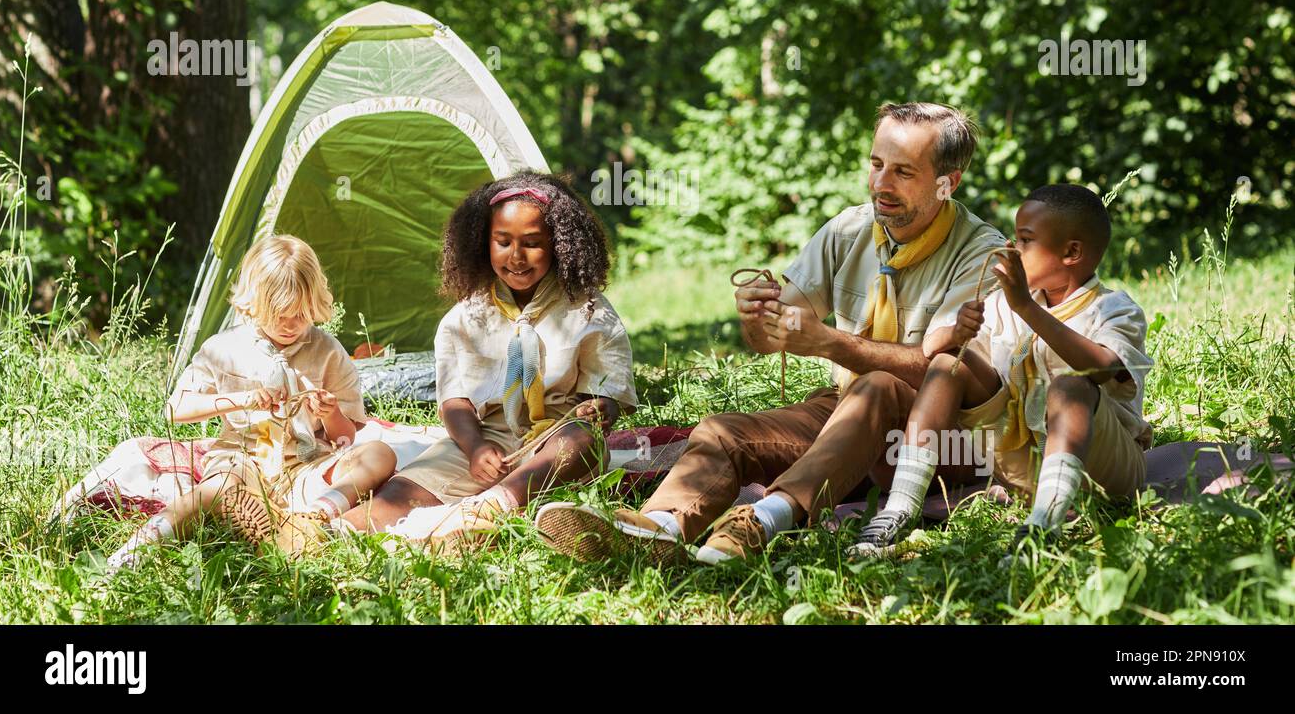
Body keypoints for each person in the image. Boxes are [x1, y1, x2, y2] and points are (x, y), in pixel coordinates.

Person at [536, 102, 1005, 566]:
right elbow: (773, 337)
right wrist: (758, 318)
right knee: (723, 433)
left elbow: (947, 371)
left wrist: (828, 342)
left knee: (878, 385)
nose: (881, 184)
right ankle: (658, 528)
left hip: (947, 439)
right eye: (877, 164)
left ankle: (761, 521)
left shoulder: (982, 253)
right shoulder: (851, 228)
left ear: (948, 182)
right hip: (853, 412)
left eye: (904, 172)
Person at [849, 184, 1152, 562]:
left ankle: (1043, 528)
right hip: (1021, 466)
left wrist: (1027, 308)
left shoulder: (1113, 309)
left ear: (1071, 252)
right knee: (951, 362)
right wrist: (955, 332)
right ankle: (900, 508)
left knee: (1072, 385)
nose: (1011, 248)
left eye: (1025, 240)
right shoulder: (1004, 303)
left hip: (1106, 473)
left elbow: (1105, 368)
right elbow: (930, 350)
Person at [342, 172, 636, 552]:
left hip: (555, 439)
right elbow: (454, 400)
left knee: (582, 442)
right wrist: (476, 447)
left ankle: (489, 508)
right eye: (503, 242)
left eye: (532, 244)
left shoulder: (588, 310)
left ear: (560, 246)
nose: (516, 256)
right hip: (486, 438)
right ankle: (335, 529)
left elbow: (606, 393)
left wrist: (600, 407)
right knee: (404, 488)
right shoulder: (466, 317)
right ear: (484, 243)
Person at [107, 236, 396, 569]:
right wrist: (239, 400)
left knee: (379, 453)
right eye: (279, 316)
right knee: (216, 489)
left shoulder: (327, 351)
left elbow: (348, 434)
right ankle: (144, 543)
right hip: (242, 460)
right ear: (254, 303)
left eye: (300, 315)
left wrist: (330, 414)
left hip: (306, 466)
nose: (290, 325)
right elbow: (176, 410)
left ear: (315, 304)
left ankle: (312, 521)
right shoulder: (225, 348)